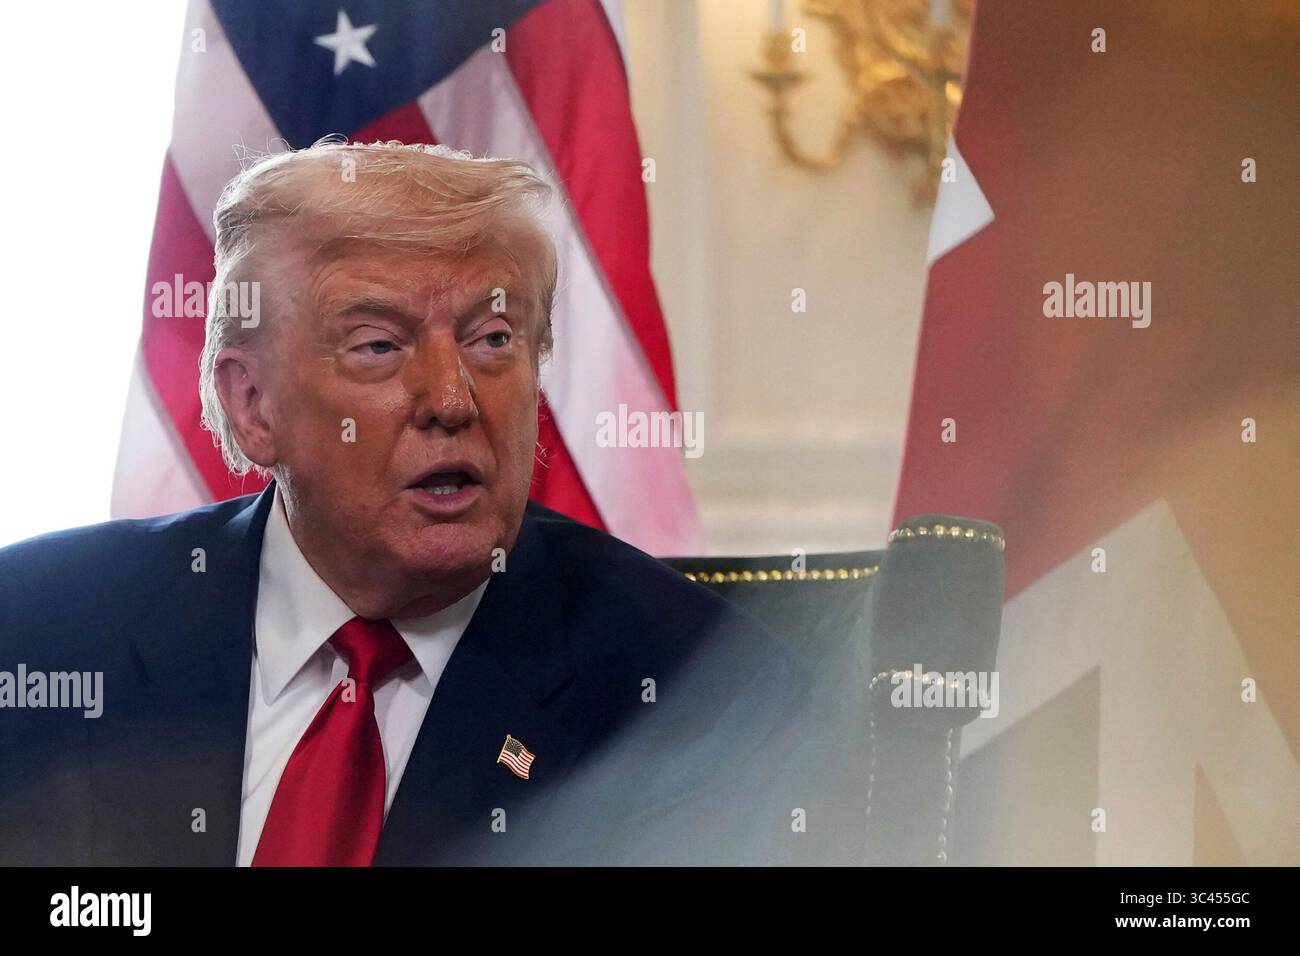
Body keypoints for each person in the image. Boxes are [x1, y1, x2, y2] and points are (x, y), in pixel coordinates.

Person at [0, 140, 809, 866]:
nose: (452, 399)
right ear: (253, 407)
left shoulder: (697, 693)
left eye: (493, 339)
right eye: (379, 345)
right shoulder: (40, 630)